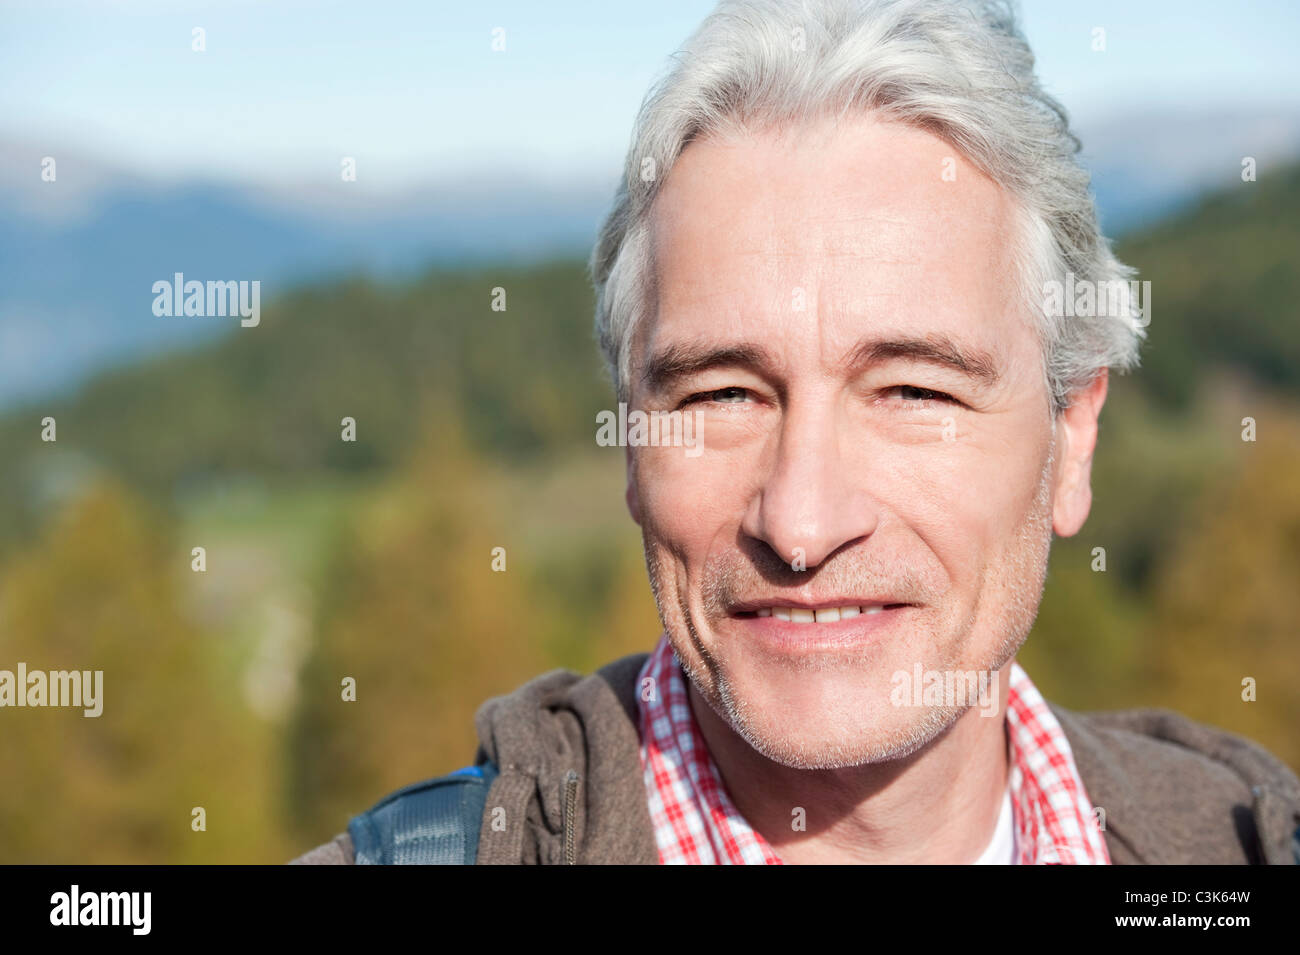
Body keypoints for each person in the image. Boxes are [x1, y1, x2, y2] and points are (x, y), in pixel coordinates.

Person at [292, 0, 1300, 865]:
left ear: (1070, 436)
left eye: (912, 391)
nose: (803, 523)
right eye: (722, 395)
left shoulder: (1243, 843)